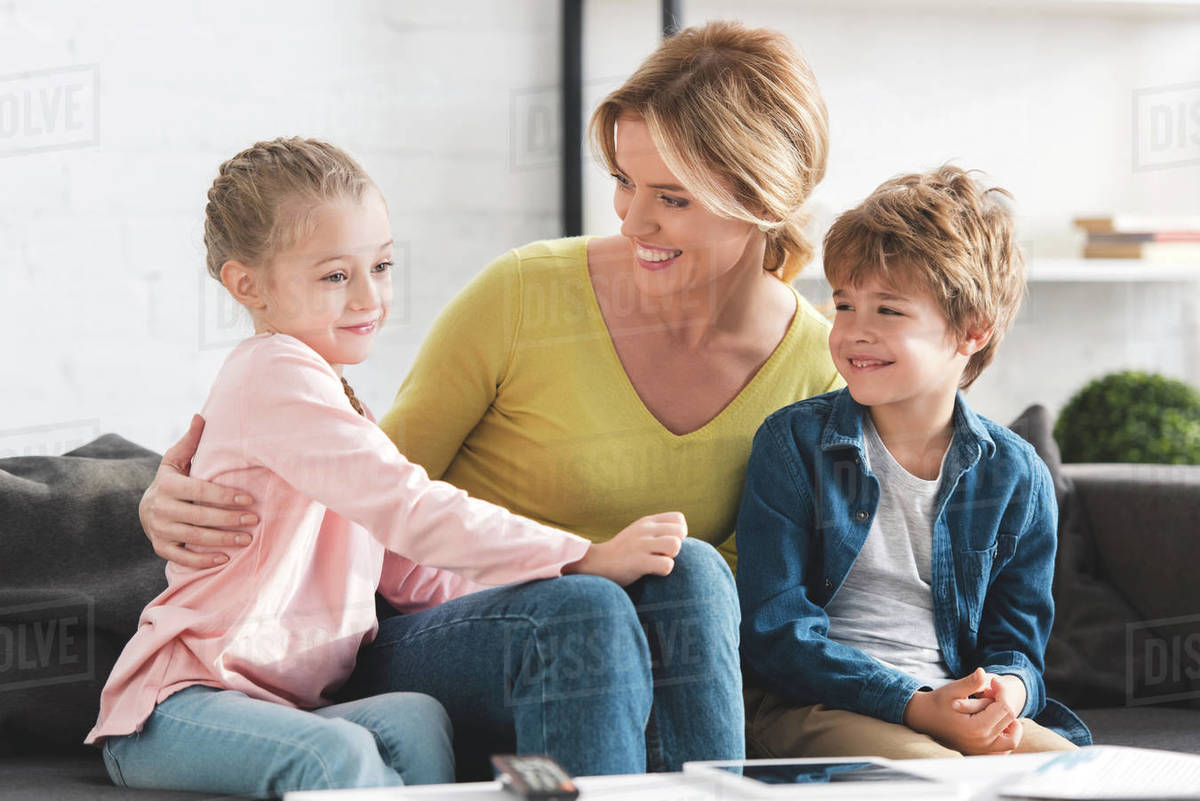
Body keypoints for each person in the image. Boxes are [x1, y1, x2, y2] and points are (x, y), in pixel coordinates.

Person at [136, 22, 841, 776]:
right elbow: (386, 498)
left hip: (606, 630)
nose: (632, 219)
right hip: (459, 637)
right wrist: (578, 561)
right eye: (623, 181)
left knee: (695, 571)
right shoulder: (522, 294)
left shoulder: (817, 367)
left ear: (760, 199)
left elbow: (763, 598)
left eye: (671, 197)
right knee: (584, 610)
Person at [85, 137, 687, 798]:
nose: (369, 296)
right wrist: (579, 556)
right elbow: (411, 506)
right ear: (246, 284)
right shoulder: (273, 373)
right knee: (336, 755)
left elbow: (417, 576)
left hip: (282, 705)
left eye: (383, 265)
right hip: (175, 707)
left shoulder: (342, 408)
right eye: (336, 275)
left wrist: (548, 600)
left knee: (415, 717)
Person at [736, 165, 1093, 760]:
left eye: (889, 311)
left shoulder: (1017, 477)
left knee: (1078, 775)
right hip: (817, 704)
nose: (854, 332)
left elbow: (1018, 648)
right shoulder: (793, 445)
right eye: (845, 305)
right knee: (943, 776)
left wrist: (1005, 691)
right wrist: (914, 703)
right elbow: (777, 633)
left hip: (957, 705)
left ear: (970, 332)